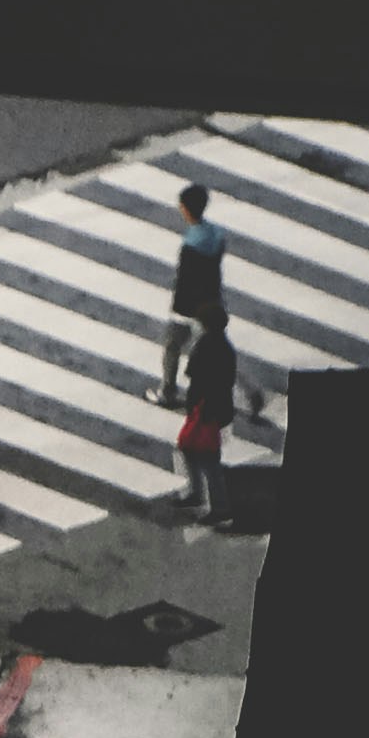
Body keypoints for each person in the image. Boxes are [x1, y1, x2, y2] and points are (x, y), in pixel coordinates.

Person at [158, 180, 229, 398]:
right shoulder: (215, 234)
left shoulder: (191, 245)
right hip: (212, 301)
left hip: (190, 308)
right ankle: (251, 392)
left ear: (187, 209)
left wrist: (178, 308)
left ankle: (168, 392)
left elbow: (186, 280)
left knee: (172, 345)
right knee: (217, 349)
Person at [175, 308, 238, 525]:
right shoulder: (225, 347)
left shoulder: (206, 345)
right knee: (193, 450)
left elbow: (193, 373)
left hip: (206, 409)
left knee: (206, 458)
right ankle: (199, 494)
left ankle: (219, 507)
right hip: (214, 408)